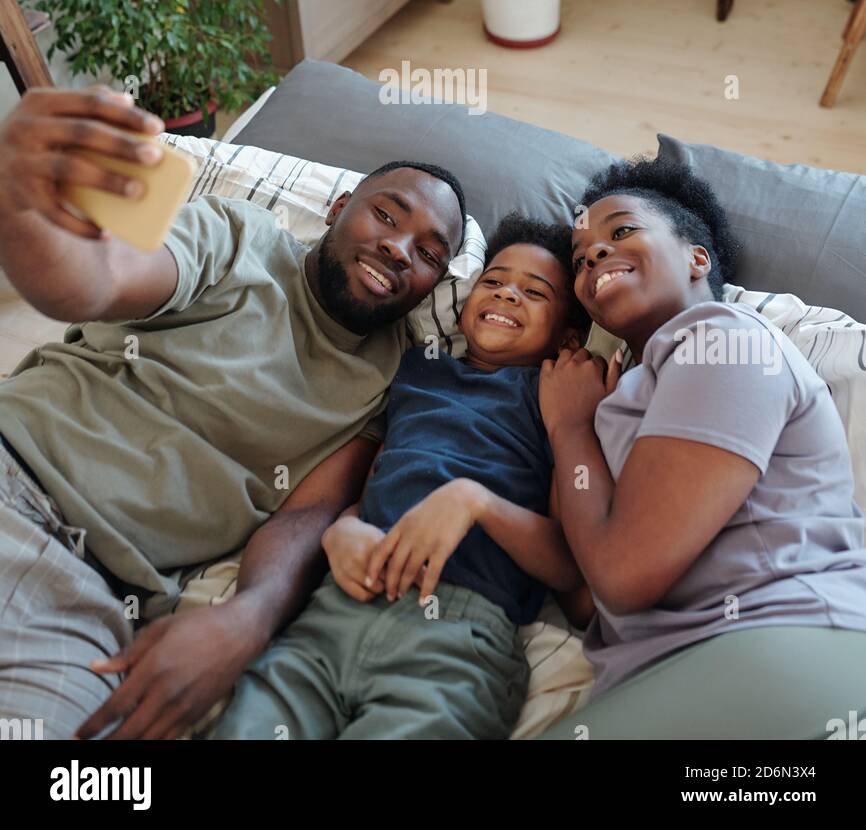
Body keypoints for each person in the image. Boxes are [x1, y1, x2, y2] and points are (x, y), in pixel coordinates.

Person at [0, 84, 465, 741]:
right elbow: (95, 281)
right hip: (15, 472)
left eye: (430, 253)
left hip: (92, 590)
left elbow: (307, 514)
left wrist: (246, 620)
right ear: (337, 210)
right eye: (387, 216)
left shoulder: (392, 376)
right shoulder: (238, 237)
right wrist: (20, 200)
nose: (400, 249)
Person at [210, 213, 593, 741]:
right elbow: (375, 484)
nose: (507, 295)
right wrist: (341, 529)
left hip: (454, 635)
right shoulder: (417, 371)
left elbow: (567, 563)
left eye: (534, 292)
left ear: (567, 338)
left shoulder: (554, 400)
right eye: (495, 281)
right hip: (337, 608)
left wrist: (476, 503)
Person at [537, 154, 866, 740]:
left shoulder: (725, 338)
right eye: (581, 258)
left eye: (621, 232)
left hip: (784, 641)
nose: (595, 257)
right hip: (678, 669)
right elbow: (590, 600)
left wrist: (570, 431)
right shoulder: (618, 393)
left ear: (697, 258)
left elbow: (623, 575)